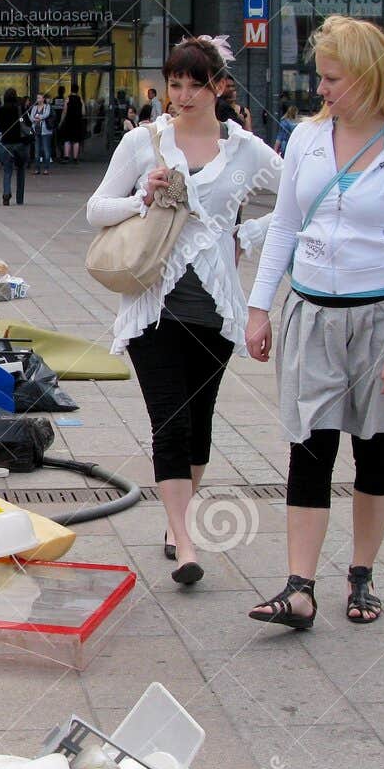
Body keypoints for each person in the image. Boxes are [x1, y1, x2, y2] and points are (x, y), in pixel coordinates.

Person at [244, 14, 384, 629]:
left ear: (367, 76)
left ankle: (361, 575)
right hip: (311, 313)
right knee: (309, 446)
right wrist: (259, 304)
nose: (321, 90)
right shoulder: (307, 138)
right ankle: (299, 587)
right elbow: (283, 224)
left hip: (380, 317)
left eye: (332, 79)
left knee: (375, 450)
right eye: (320, 78)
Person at [87, 35, 279, 587]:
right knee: (168, 421)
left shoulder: (245, 151)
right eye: (176, 83)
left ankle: (180, 522)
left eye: (197, 83)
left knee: (198, 427)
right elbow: (96, 210)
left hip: (215, 313)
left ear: (220, 85)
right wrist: (140, 198)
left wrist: (248, 233)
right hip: (153, 306)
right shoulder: (145, 142)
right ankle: (186, 541)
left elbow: (299, 199)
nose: (184, 95)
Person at [0, 88, 26, 205]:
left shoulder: (0, 110)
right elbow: (24, 123)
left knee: (7, 170)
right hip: (19, 143)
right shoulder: (20, 109)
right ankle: (20, 198)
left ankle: (6, 193)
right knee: (21, 170)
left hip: (6, 142)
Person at [59, 84, 85, 162]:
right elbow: (83, 112)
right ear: (77, 90)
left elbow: (64, 111)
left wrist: (61, 122)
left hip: (68, 121)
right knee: (76, 140)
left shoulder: (68, 99)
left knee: (67, 140)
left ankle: (66, 157)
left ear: (71, 90)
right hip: (77, 122)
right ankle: (75, 158)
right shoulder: (80, 99)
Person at [31, 94, 53, 172]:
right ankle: (37, 169)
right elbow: (31, 117)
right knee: (37, 151)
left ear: (43, 99)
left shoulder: (47, 106)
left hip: (45, 131)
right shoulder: (34, 107)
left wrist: (38, 117)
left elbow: (46, 115)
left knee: (46, 150)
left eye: (39, 97)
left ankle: (46, 168)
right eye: (37, 98)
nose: (38, 99)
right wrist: (36, 119)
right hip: (36, 131)